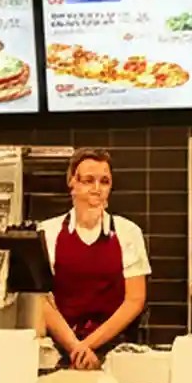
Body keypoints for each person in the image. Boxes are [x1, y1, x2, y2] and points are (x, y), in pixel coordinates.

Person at [38, 148, 150, 370]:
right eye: (89, 181)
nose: (97, 189)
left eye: (105, 181)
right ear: (72, 183)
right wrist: (74, 348)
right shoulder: (47, 232)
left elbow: (135, 300)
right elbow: (41, 301)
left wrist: (87, 346)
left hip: (114, 350)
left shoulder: (128, 232)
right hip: (60, 350)